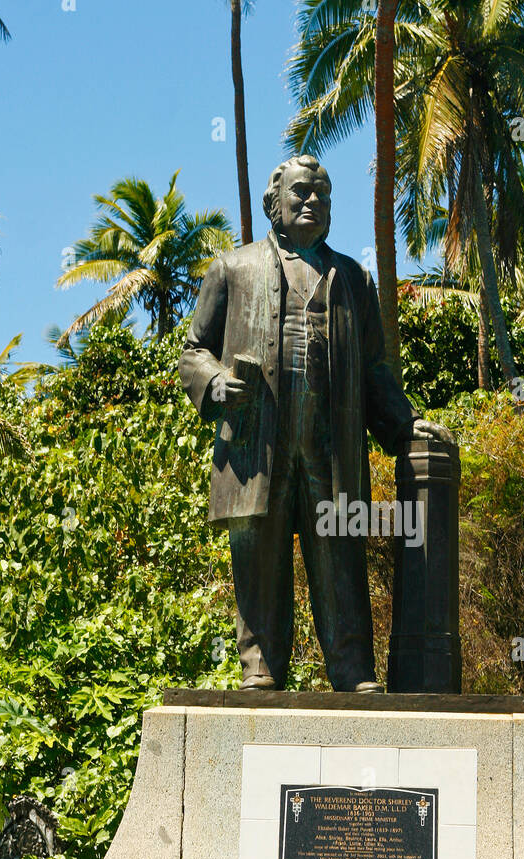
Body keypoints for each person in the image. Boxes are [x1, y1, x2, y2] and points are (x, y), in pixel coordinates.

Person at [179, 154, 454, 691]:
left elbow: (374, 371)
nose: (312, 202)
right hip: (257, 445)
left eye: (322, 195)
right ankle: (259, 667)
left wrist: (404, 426)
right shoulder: (231, 269)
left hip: (331, 445)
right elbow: (194, 351)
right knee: (259, 556)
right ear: (272, 203)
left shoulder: (351, 277)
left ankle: (352, 670)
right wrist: (213, 383)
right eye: (301, 192)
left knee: (339, 558)